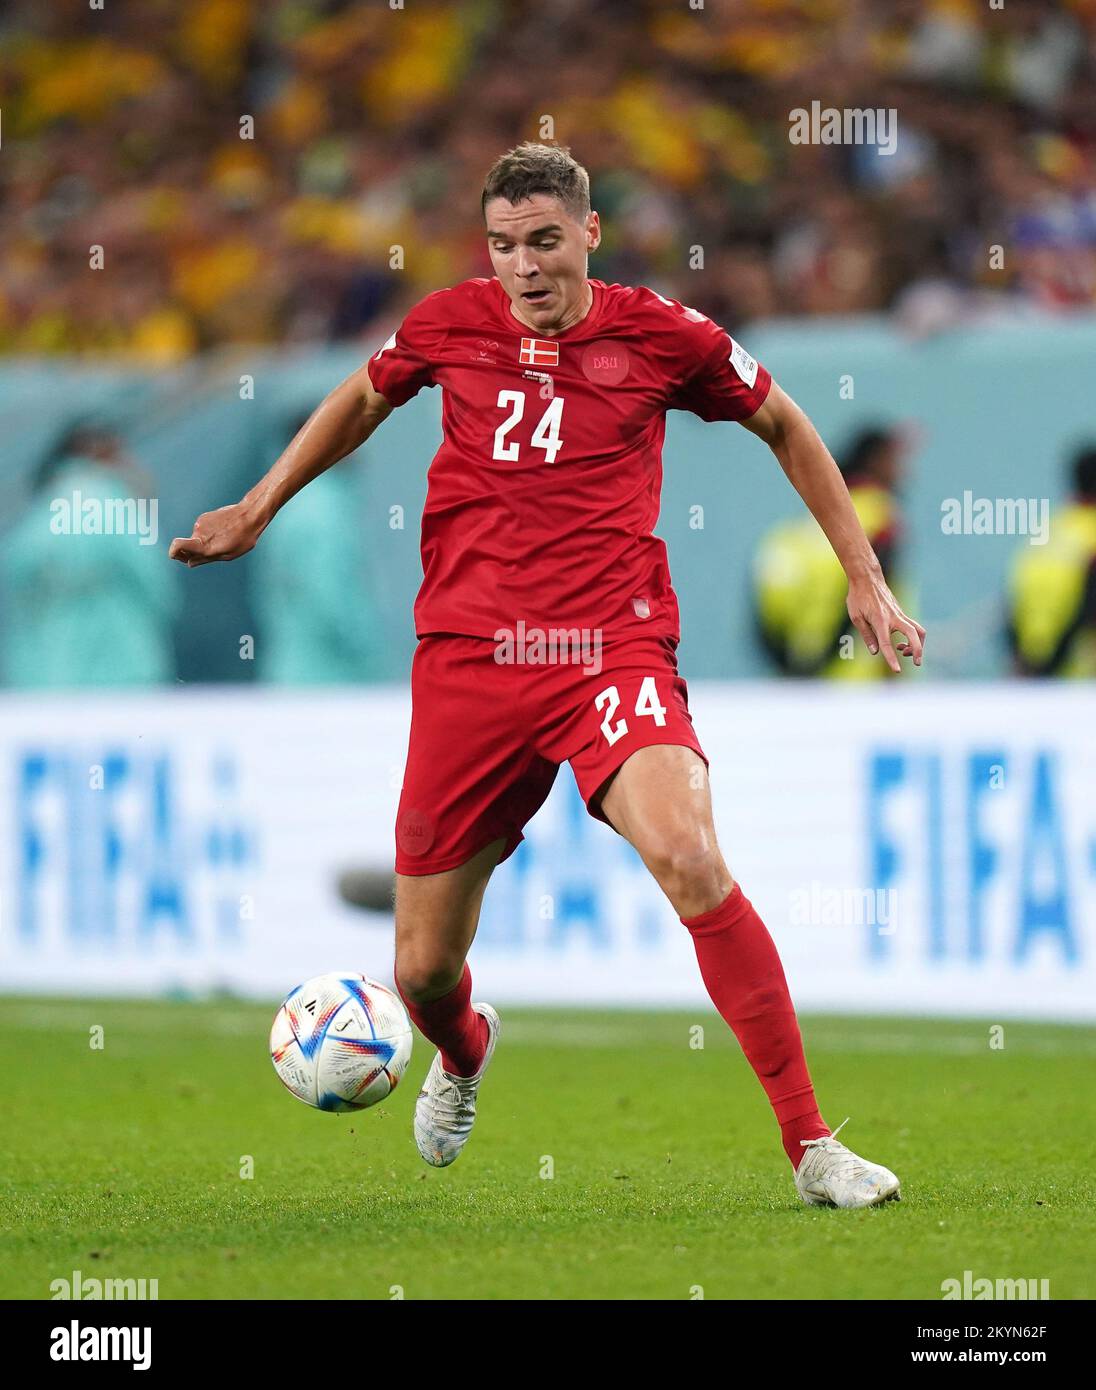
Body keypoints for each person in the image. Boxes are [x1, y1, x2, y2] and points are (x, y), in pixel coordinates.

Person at [171, 143, 925, 1209]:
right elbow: (361, 397)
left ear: (588, 235)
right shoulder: (447, 322)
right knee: (424, 969)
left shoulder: (664, 335)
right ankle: (468, 1051)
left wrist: (864, 575)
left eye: (542, 242)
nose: (522, 267)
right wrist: (256, 506)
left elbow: (785, 423)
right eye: (502, 245)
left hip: (607, 650)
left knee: (690, 857)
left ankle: (812, 1146)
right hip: (468, 663)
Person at [751, 425, 913, 679]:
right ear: (874, 461)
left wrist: (801, 671)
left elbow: (767, 617)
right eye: (894, 459)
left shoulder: (794, 534)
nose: (904, 471)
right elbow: (881, 599)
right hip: (862, 688)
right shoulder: (880, 517)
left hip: (802, 688)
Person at [1006, 445, 1096, 677]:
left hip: (1037, 672)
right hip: (1081, 677)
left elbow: (1014, 602)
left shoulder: (1048, 529)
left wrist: (1030, 666)